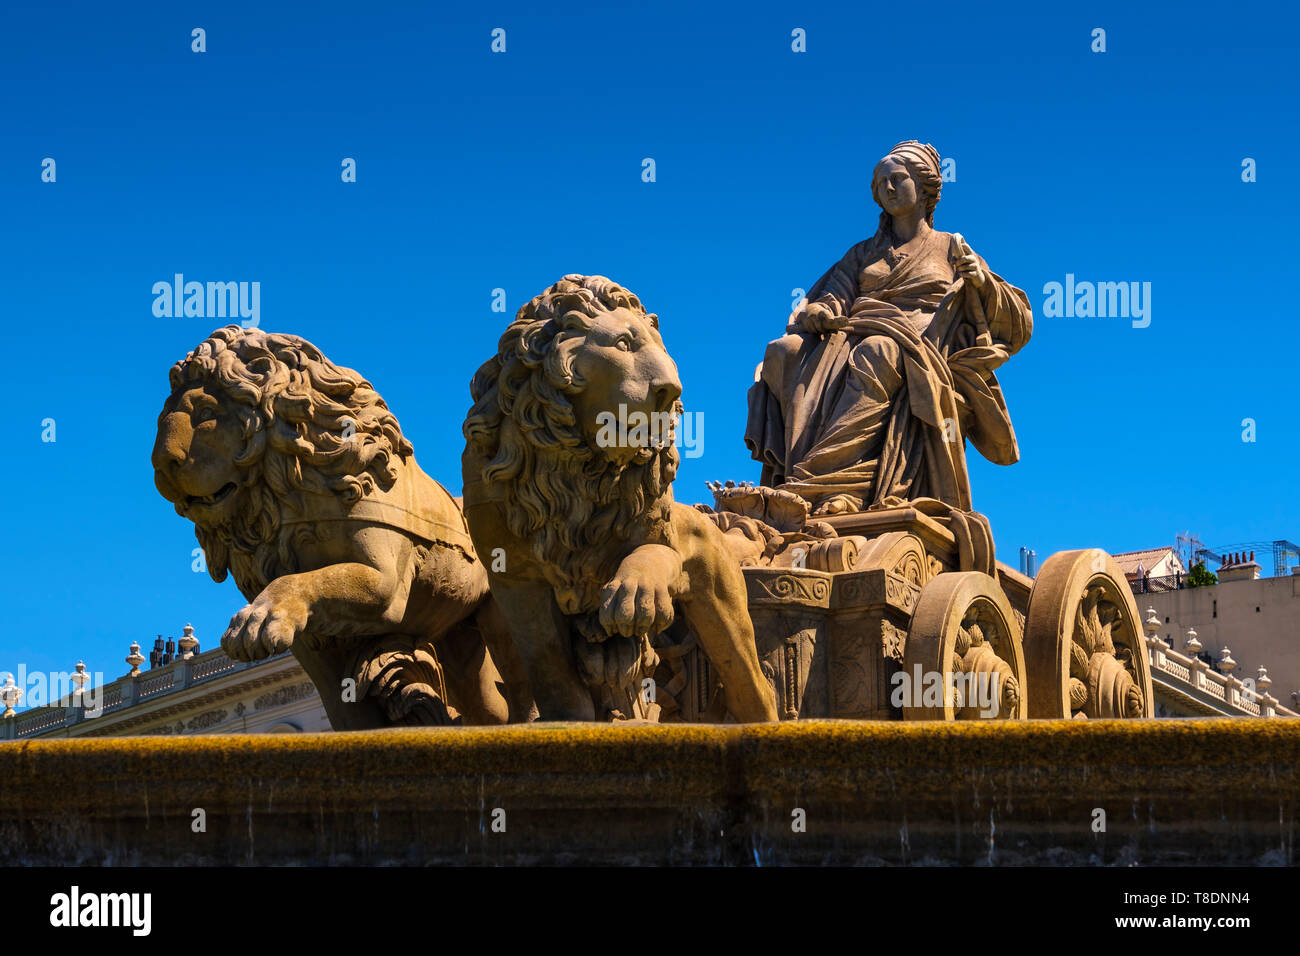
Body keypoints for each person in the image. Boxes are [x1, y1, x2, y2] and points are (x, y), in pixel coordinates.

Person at [745, 140, 1032, 518]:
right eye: (881, 183)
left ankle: (828, 483)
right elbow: (835, 295)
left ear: (926, 186)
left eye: (898, 178)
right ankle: (791, 477)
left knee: (877, 350)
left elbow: (1019, 321)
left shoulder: (949, 247)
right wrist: (819, 311)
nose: (888, 188)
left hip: (921, 345)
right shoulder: (863, 253)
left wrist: (981, 281)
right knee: (783, 351)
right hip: (855, 332)